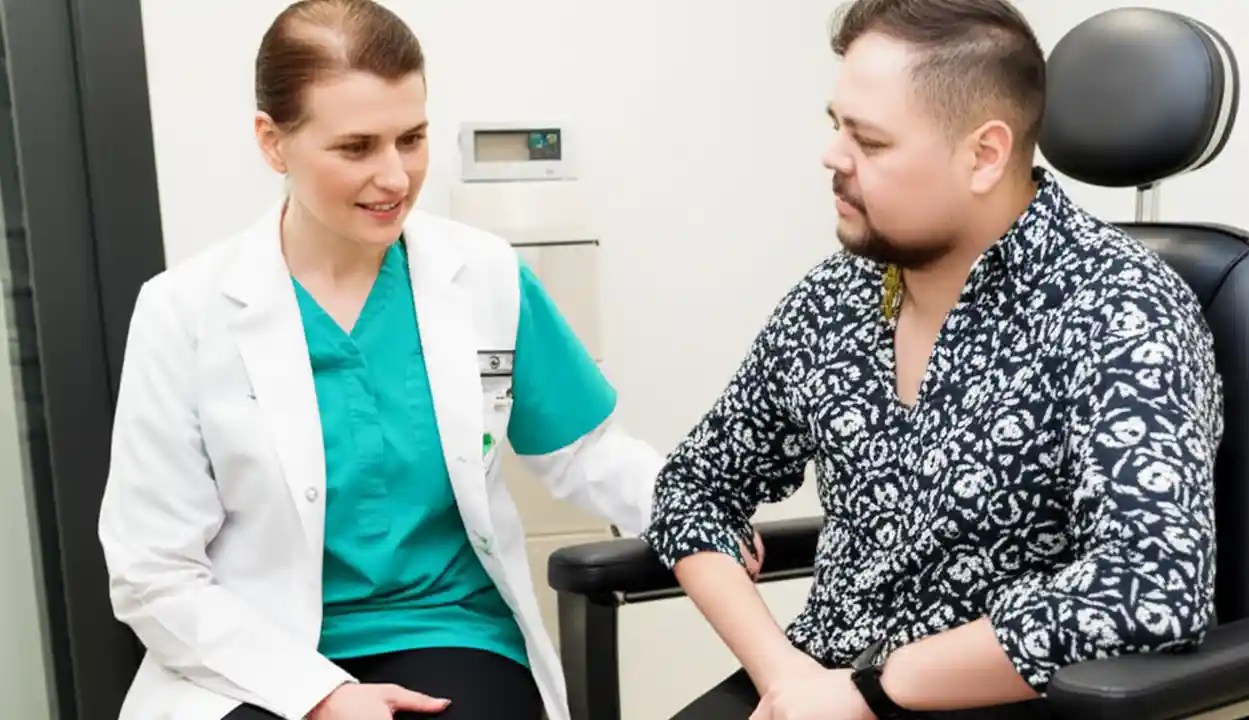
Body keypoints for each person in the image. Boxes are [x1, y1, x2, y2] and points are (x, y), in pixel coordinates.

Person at [98, 2, 767, 719]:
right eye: (356, 147)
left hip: (448, 628)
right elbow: (152, 570)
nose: (395, 177)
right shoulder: (183, 314)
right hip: (250, 650)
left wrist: (692, 509)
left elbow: (587, 451)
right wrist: (322, 695)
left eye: (411, 139)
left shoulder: (484, 277)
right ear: (272, 142)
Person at [640, 0, 1224, 718]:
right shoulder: (836, 297)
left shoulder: (1119, 307)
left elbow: (1151, 585)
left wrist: (869, 692)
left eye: (870, 141)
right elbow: (693, 487)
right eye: (836, 126)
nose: (833, 156)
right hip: (818, 678)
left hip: (1000, 698)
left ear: (985, 155)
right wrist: (785, 675)